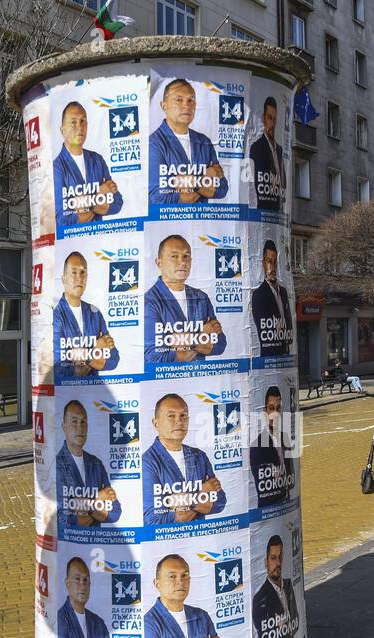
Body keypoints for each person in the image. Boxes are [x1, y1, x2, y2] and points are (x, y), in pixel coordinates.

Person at [142, 394, 226, 524]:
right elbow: (154, 520)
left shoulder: (199, 457)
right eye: (171, 416)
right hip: (166, 543)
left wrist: (180, 500)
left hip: (201, 538)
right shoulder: (147, 463)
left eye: (183, 415)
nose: (179, 421)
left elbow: (219, 502)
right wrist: (201, 494)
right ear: (156, 423)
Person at [144, 554, 227, 638]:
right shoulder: (149, 624)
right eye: (172, 576)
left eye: (184, 575)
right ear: (157, 583)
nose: (180, 582)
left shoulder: (201, 616)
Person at [144, 235, 227, 364]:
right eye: (174, 256)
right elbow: (155, 358)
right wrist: (202, 335)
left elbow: (220, 345)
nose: (182, 262)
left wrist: (183, 340)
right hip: (167, 382)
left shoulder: (201, 297)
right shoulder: (150, 302)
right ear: (159, 263)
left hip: (200, 378)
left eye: (186, 256)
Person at [148, 78, 228, 205]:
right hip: (169, 223)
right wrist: (205, 181)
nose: (186, 105)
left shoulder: (204, 141)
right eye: (179, 100)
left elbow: (222, 189)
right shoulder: (154, 144)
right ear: (164, 105)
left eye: (191, 100)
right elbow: (158, 198)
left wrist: (191, 183)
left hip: (202, 222)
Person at [53, 102, 123, 228]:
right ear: (62, 129)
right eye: (73, 122)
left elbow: (117, 203)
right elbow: (64, 220)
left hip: (98, 238)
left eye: (83, 121)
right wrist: (98, 197)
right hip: (73, 243)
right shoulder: (56, 168)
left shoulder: (97, 160)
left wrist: (83, 205)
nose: (79, 127)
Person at [58, 558, 123, 638]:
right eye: (77, 579)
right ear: (67, 583)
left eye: (86, 580)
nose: (82, 584)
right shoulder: (60, 619)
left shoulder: (98, 623)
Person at [57, 401, 121, 528]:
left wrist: (83, 505)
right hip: (71, 544)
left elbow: (115, 513)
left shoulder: (96, 464)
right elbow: (66, 519)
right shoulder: (57, 465)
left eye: (83, 422)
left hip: (96, 542)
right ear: (64, 426)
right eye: (74, 422)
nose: (80, 427)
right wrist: (98, 500)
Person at [54, 252, 119, 379]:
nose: (79, 277)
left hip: (94, 391)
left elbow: (113, 361)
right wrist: (96, 350)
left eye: (83, 272)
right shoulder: (56, 316)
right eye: (74, 272)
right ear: (63, 279)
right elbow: (64, 371)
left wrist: (82, 356)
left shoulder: (95, 314)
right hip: (67, 394)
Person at [251, 535, 299, 638]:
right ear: (266, 562)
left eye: (280, 557)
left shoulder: (288, 585)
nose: (277, 563)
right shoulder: (260, 598)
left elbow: (296, 621)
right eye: (273, 558)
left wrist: (285, 625)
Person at [248, 386, 294, 507]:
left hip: (286, 504)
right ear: (265, 411)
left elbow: (290, 478)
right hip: (269, 509)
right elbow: (264, 488)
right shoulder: (257, 446)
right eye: (271, 408)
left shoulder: (285, 439)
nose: (275, 414)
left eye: (278, 408)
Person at [250, 240, 292, 356]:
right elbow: (267, 334)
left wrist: (281, 330)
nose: (272, 267)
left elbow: (289, 331)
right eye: (269, 262)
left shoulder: (283, 292)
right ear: (263, 263)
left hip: (286, 355)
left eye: (274, 262)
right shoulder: (258, 295)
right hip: (270, 357)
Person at [248, 96, 286, 211]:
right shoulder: (256, 147)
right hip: (262, 210)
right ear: (263, 119)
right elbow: (253, 184)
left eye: (275, 119)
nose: (273, 124)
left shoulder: (279, 150)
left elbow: (284, 183)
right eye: (270, 118)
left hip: (277, 211)